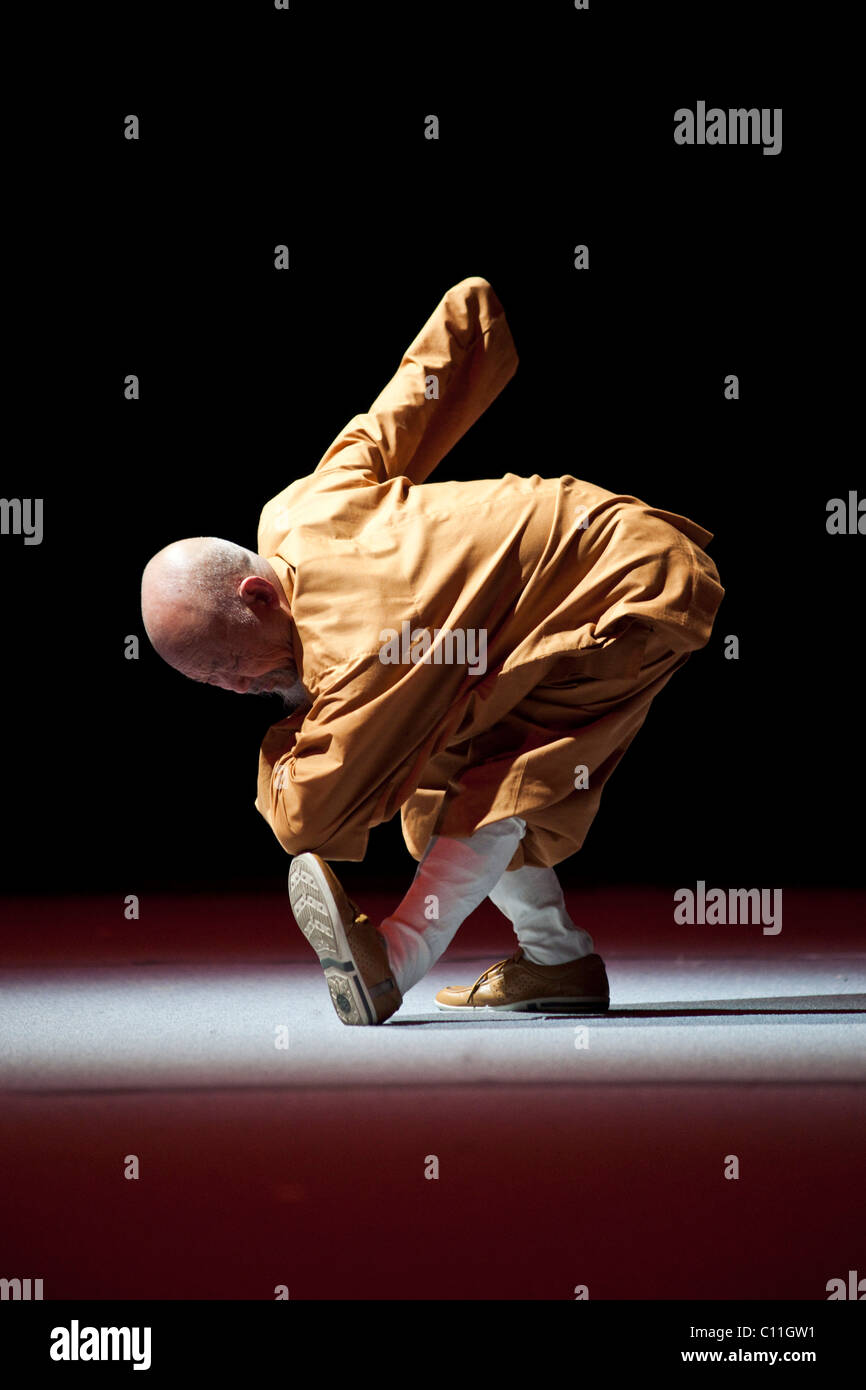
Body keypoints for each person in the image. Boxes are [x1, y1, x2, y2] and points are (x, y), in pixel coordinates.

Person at [141, 277, 724, 1026]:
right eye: (209, 683)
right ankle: (556, 959)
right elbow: (396, 419)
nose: (233, 689)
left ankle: (394, 959)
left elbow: (305, 822)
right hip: (592, 551)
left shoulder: (359, 662)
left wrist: (285, 734)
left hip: (626, 587)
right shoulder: (294, 514)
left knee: (506, 767)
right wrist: (469, 319)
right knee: (446, 763)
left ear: (258, 598)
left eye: (225, 665)